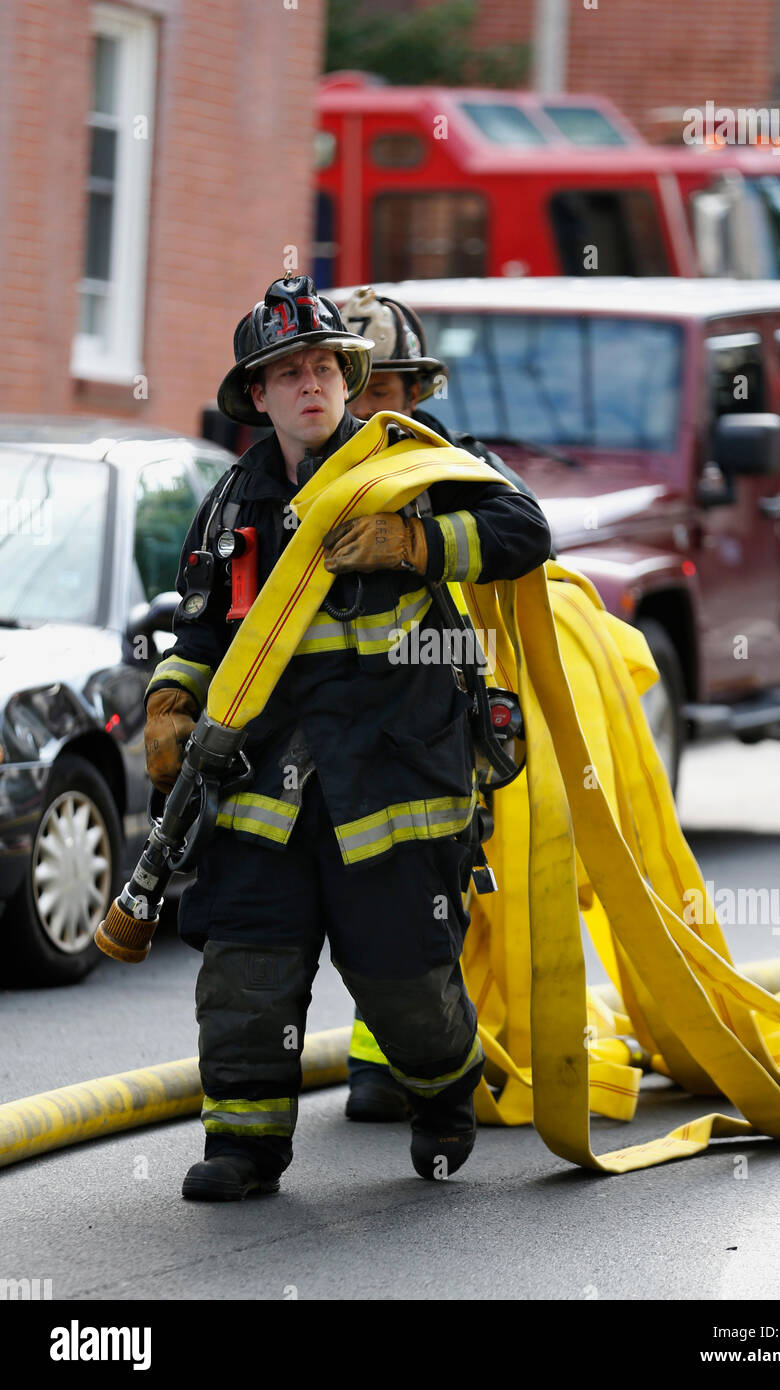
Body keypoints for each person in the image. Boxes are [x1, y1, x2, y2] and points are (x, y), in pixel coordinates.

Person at [143, 273, 551, 1200]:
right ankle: (242, 1149)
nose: (312, 384)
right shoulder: (229, 508)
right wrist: (171, 704)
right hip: (264, 787)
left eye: (325, 365)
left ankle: (444, 1093)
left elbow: (523, 529)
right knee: (247, 971)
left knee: (404, 983)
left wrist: (416, 546)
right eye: (288, 372)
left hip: (393, 781)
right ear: (258, 394)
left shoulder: (407, 461)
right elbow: (203, 633)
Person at [338, 284, 544, 1123]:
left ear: (415, 393)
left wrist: (417, 543)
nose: (359, 411)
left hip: (424, 724)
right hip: (323, 731)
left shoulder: (449, 468)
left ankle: (394, 1064)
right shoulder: (294, 471)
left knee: (422, 890)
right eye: (344, 388)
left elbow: (525, 533)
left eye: (378, 391)